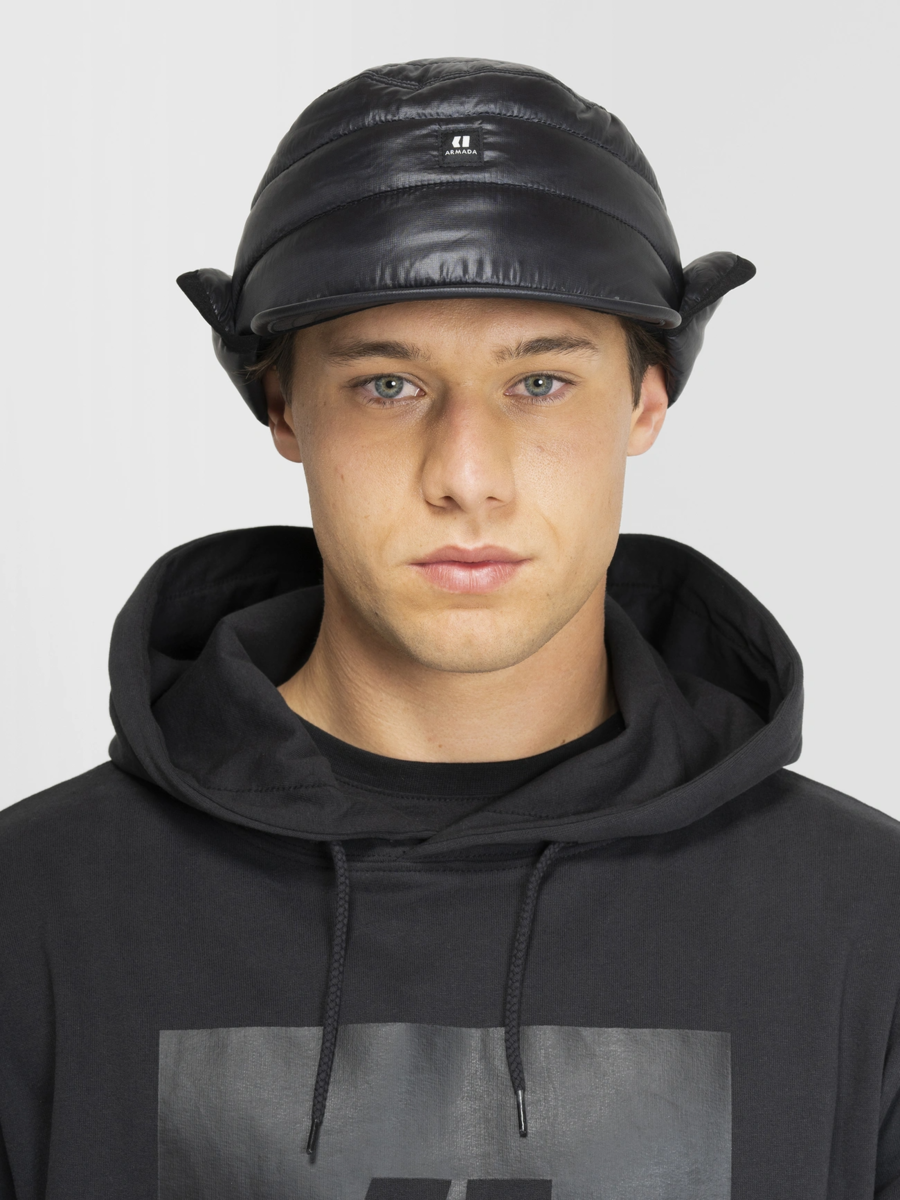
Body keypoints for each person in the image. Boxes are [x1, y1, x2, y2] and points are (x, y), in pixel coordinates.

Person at [1, 56, 898, 1200]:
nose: (467, 475)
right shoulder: (34, 914)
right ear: (283, 405)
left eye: (540, 383)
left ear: (646, 400)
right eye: (388, 385)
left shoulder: (865, 926)